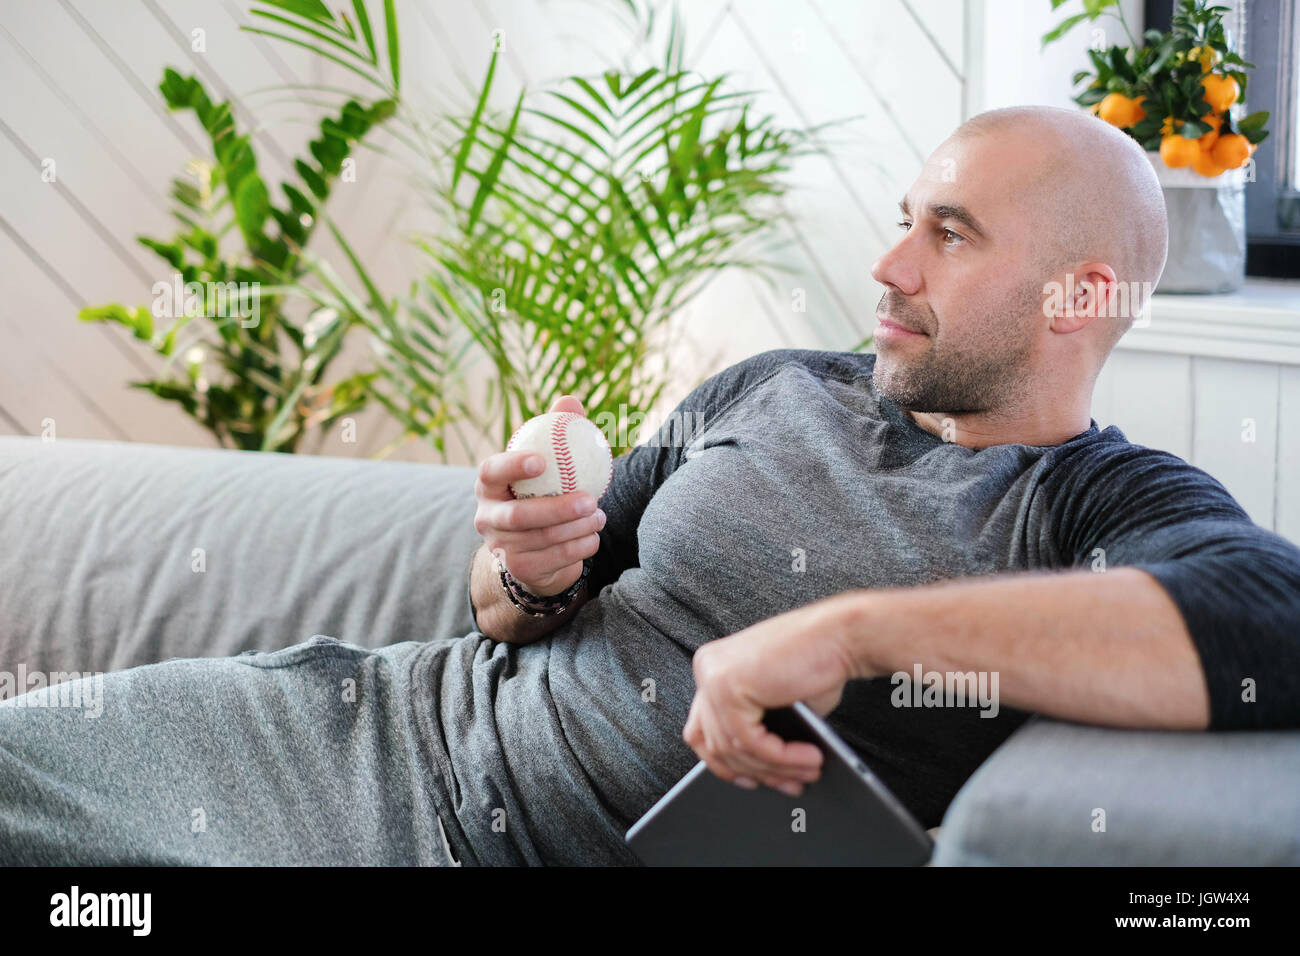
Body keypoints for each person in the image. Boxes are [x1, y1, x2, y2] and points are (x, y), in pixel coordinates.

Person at [2, 105, 1297, 866]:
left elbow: (1267, 621)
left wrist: (845, 632)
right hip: (361, 737)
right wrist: (526, 557)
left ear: (1081, 296)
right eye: (907, 216)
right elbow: (512, 607)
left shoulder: (1090, 504)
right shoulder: (780, 385)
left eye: (949, 234)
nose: (890, 262)